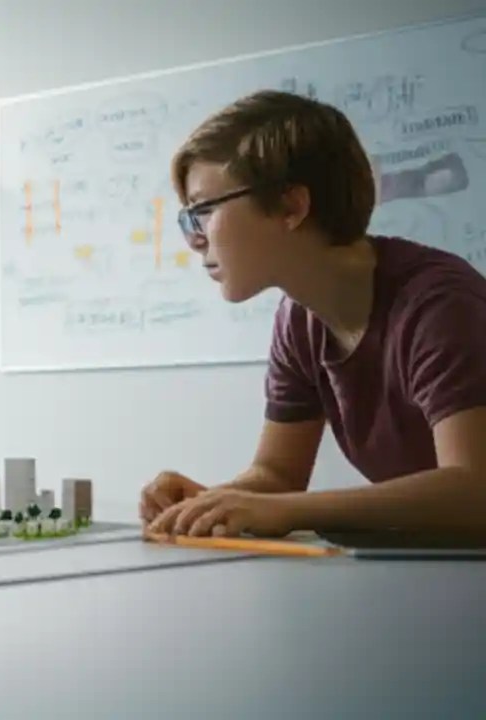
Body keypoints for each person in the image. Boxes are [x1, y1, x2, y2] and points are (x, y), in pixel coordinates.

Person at [140, 90, 486, 542]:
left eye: (204, 211)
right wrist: (208, 504)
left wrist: (283, 510)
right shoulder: (298, 320)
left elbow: (475, 491)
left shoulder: (439, 306)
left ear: (291, 207)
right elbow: (277, 475)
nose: (195, 240)